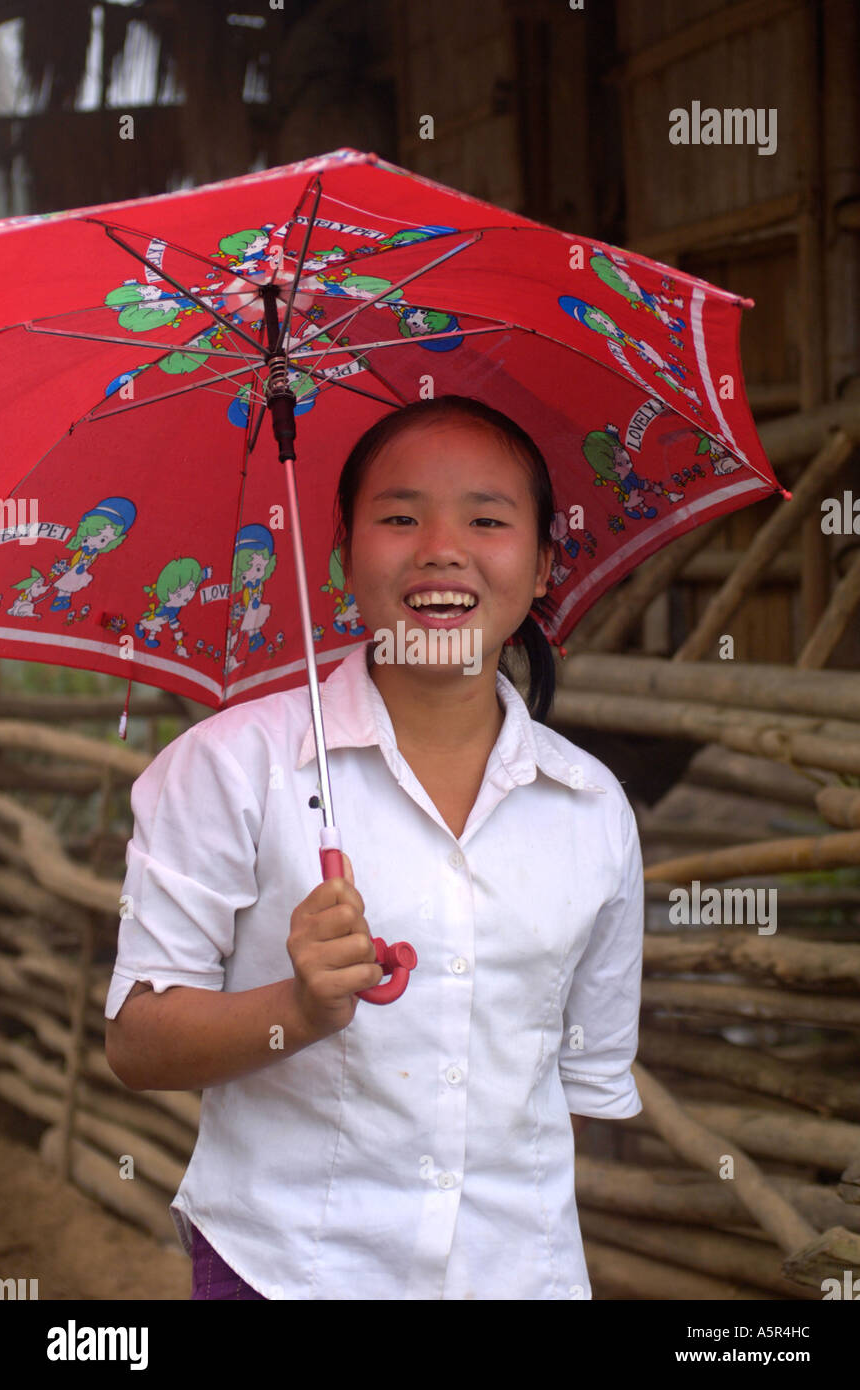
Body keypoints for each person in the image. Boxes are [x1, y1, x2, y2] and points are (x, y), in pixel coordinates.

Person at [104, 394, 645, 1301]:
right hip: (284, 1274)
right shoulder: (232, 768)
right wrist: (298, 1008)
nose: (441, 545)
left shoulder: (590, 809)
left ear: (546, 561)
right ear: (342, 553)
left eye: (486, 518)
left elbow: (577, 1084)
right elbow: (136, 1043)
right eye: (399, 517)